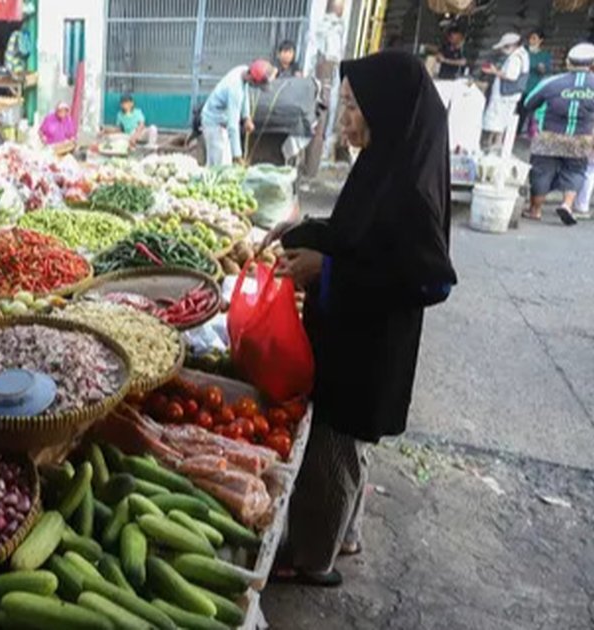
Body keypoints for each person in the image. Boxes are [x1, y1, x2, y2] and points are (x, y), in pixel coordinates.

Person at [265, 51, 456, 587]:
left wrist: (329, 272)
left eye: (352, 105)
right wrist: (301, 234)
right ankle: (345, 532)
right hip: (349, 334)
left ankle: (312, 560)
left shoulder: (412, 192)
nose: (342, 116)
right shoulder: (381, 163)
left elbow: (428, 281)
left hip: (369, 349)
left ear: (385, 110)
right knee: (349, 450)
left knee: (334, 448)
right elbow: (359, 237)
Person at [520, 43, 594, 225]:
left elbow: (529, 102)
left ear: (568, 62)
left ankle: (535, 210)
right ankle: (567, 205)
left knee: (541, 172)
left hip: (549, 136)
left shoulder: (551, 82)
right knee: (575, 170)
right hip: (581, 138)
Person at [200, 60, 275, 166]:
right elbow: (233, 126)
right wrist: (237, 155)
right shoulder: (234, 89)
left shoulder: (243, 70)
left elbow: (245, 94)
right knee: (221, 166)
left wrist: (246, 117)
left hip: (221, 120)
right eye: (257, 85)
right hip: (213, 123)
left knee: (218, 162)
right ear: (251, 78)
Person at [482, 33, 530, 151]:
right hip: (509, 94)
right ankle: (495, 142)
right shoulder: (523, 54)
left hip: (505, 94)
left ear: (511, 46)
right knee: (502, 118)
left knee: (497, 118)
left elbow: (511, 76)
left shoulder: (516, 58)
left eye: (504, 47)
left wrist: (494, 71)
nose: (503, 50)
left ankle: (494, 143)